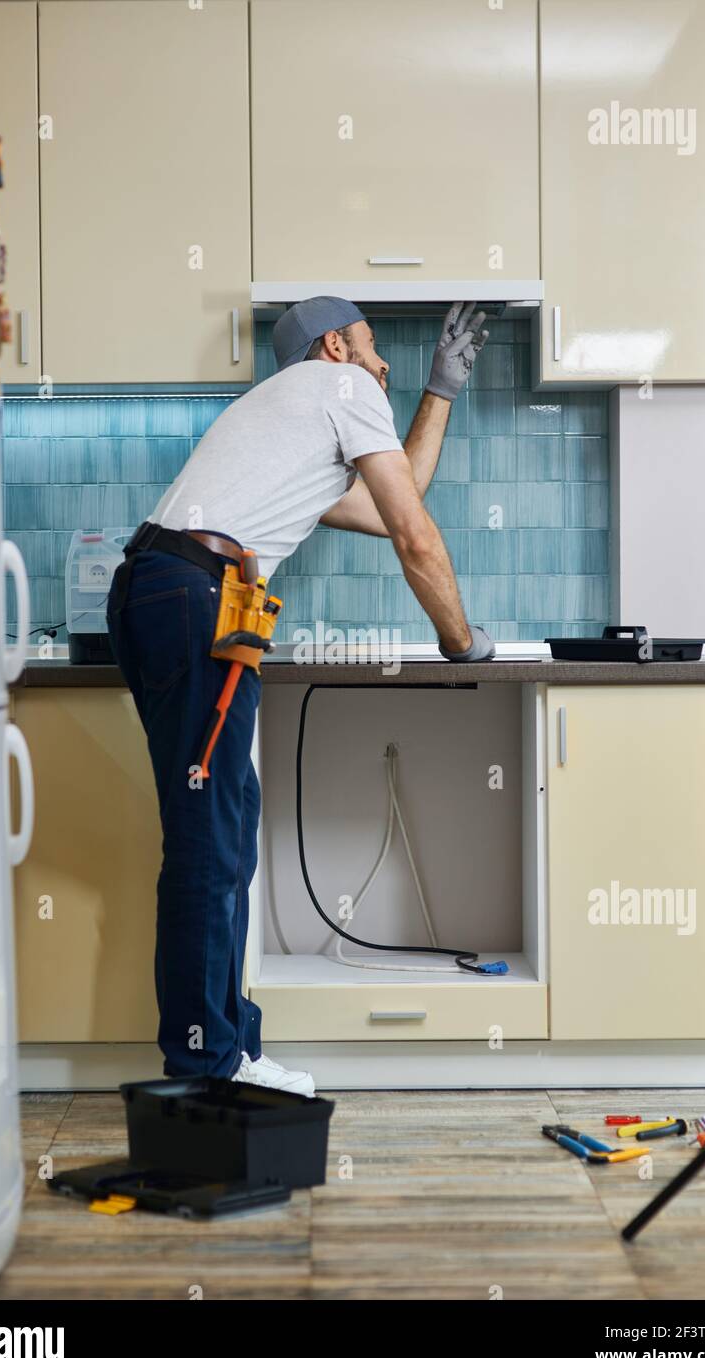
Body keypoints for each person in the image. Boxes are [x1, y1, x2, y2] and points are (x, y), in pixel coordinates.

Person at [107, 298, 494, 1095]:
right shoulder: (340, 387)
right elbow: (418, 536)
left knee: (221, 836)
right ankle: (206, 1067)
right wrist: (460, 641)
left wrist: (441, 390)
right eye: (374, 347)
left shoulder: (291, 427)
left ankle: (228, 1051)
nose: (382, 365)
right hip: (197, 600)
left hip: (163, 595)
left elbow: (399, 503)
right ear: (333, 346)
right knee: (209, 845)